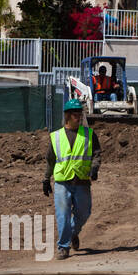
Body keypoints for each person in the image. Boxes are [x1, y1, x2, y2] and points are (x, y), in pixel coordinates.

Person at [43, 99, 101, 260]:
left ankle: (73, 233)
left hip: (82, 181)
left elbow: (96, 154)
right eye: (75, 114)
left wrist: (94, 169)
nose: (79, 117)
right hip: (62, 181)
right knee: (63, 215)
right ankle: (63, 247)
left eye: (80, 114)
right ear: (67, 115)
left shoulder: (89, 134)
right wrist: (46, 179)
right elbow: (50, 160)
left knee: (84, 213)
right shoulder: (56, 136)